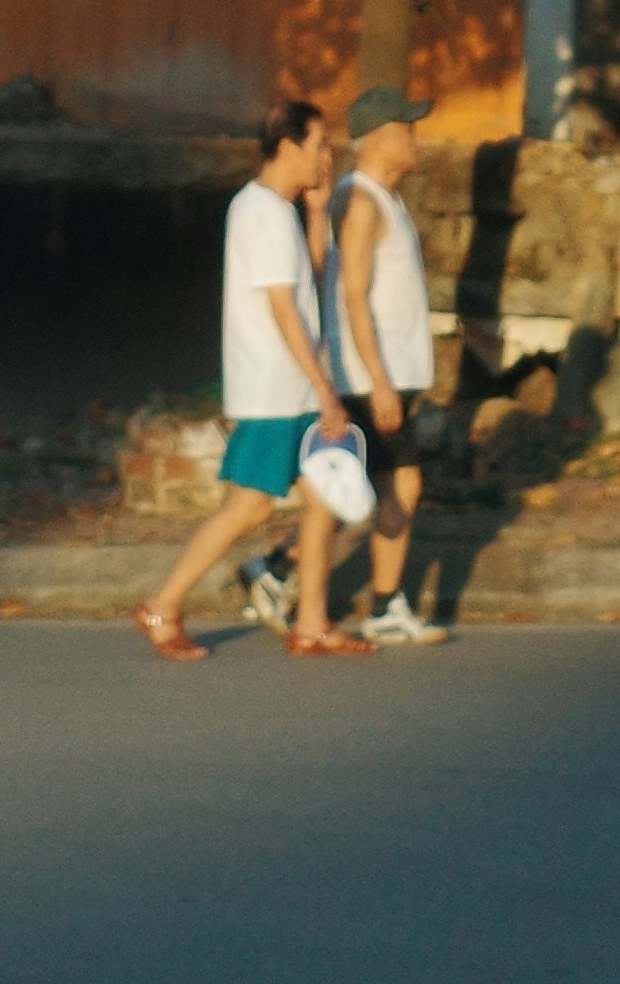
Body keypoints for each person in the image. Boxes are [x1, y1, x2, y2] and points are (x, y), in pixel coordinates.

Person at [133, 100, 375, 661]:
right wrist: (324, 388)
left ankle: (311, 623)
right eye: (319, 145)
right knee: (251, 506)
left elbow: (309, 282)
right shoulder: (260, 211)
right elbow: (283, 310)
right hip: (273, 389)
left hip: (295, 385)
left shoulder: (278, 210)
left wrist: (318, 212)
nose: (326, 158)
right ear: (287, 146)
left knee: (322, 500)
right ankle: (162, 605)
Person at [246, 87, 450, 646]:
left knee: (350, 489)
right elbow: (352, 297)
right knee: (397, 485)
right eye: (407, 129)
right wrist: (379, 383)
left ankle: (276, 570)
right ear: (379, 138)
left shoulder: (381, 199)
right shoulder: (360, 202)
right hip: (367, 376)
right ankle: (384, 606)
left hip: (384, 373)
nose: (416, 139)